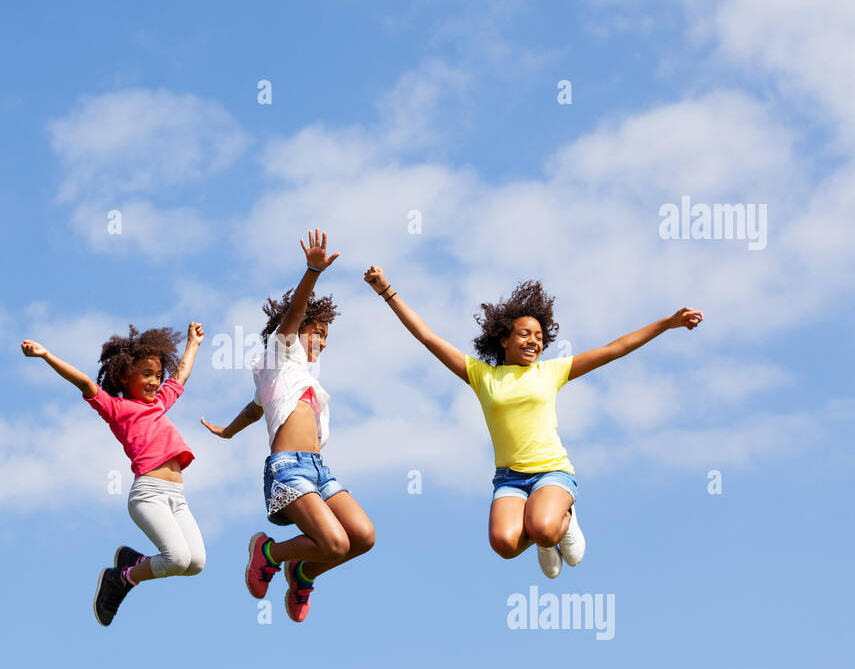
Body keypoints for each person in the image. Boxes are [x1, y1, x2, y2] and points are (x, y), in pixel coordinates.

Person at [363, 268, 702, 579]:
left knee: (542, 527)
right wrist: (386, 291)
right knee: (504, 545)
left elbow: (614, 349)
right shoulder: (483, 376)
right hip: (509, 478)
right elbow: (428, 337)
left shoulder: (550, 372)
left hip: (552, 471)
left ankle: (560, 522)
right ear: (503, 339)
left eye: (539, 336)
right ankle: (545, 535)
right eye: (524, 334)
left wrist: (666, 324)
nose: (534, 341)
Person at [201, 230, 375, 622]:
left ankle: (302, 571)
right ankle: (269, 552)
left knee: (362, 537)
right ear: (300, 331)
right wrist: (313, 271)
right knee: (333, 542)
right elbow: (295, 313)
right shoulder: (283, 349)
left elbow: (256, 408)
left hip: (319, 469)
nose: (325, 344)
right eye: (321, 334)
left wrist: (228, 430)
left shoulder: (285, 375)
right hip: (289, 469)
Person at [21, 321, 206, 625]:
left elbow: (180, 375)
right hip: (149, 495)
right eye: (146, 374)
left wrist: (193, 344)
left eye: (157, 376)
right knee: (177, 558)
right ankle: (123, 577)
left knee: (196, 563)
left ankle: (131, 568)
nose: (154, 382)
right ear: (124, 376)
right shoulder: (117, 409)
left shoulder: (160, 403)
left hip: (178, 498)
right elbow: (83, 382)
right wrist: (46, 355)